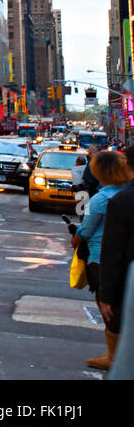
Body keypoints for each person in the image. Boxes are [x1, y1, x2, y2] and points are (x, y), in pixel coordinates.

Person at [73, 150, 130, 370]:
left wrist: (75, 239)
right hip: (124, 258)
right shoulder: (125, 193)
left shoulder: (100, 199)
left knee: (106, 305)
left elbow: (86, 230)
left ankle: (114, 356)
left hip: (100, 258)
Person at [99, 160, 134, 373]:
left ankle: (113, 356)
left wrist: (107, 295)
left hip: (125, 279)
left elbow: (112, 250)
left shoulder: (120, 200)